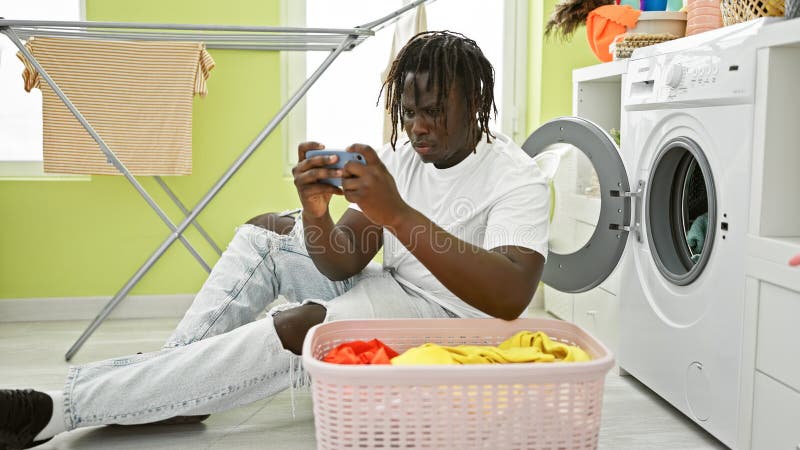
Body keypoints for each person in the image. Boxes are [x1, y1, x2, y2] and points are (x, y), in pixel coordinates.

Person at [0, 30, 549, 449]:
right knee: (267, 231)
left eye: (433, 111)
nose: (417, 127)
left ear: (475, 102)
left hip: (450, 321)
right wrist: (315, 213)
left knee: (296, 327)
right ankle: (173, 387)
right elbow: (341, 264)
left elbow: (510, 295)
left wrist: (398, 215)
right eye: (408, 113)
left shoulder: (516, 177)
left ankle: (60, 409)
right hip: (393, 288)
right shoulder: (406, 159)